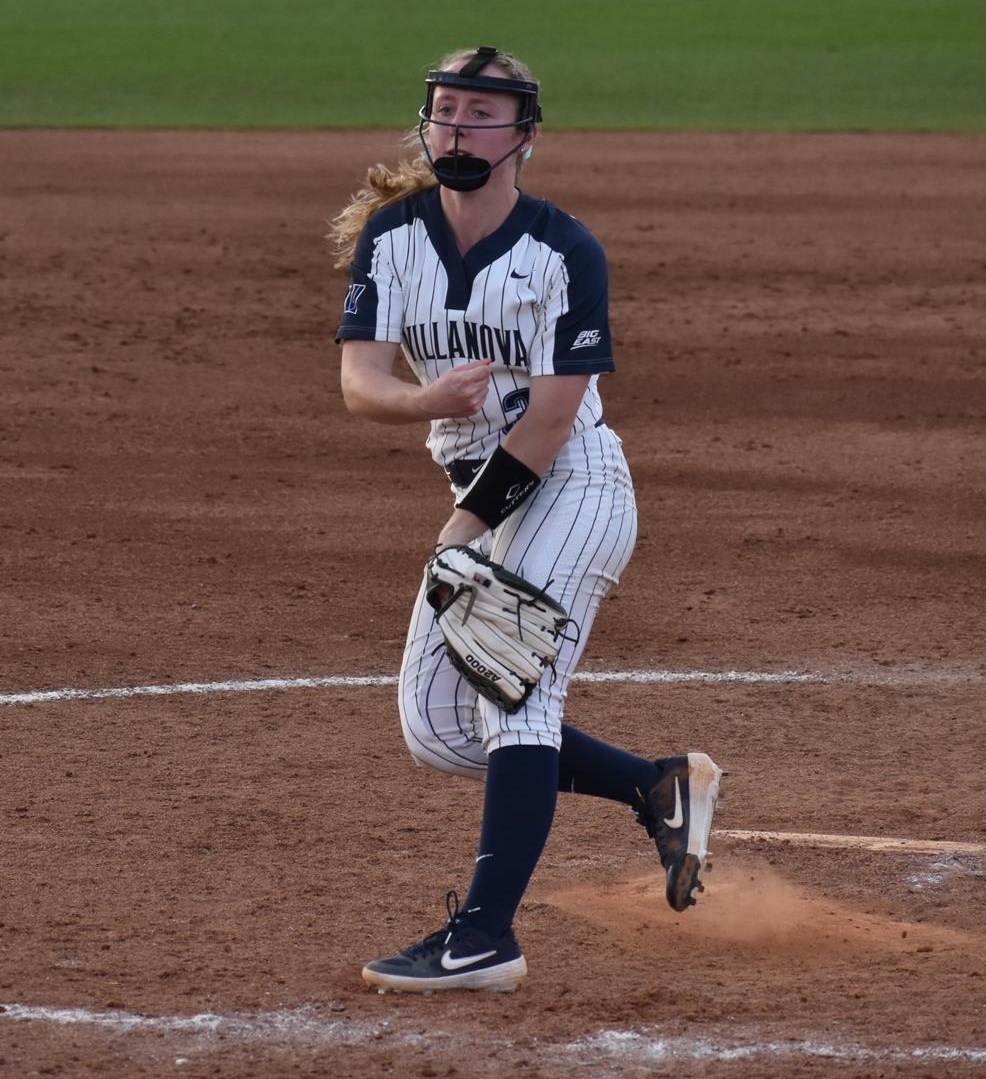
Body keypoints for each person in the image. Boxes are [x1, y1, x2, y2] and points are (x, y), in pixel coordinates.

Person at [330, 45, 723, 994]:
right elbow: (360, 382)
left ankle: (482, 938)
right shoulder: (392, 238)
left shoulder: (564, 252)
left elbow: (550, 422)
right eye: (445, 111)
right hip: (477, 494)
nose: (457, 128)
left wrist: (463, 529)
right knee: (437, 729)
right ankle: (654, 786)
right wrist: (424, 407)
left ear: (523, 136)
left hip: (571, 488)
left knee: (515, 696)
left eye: (479, 112)